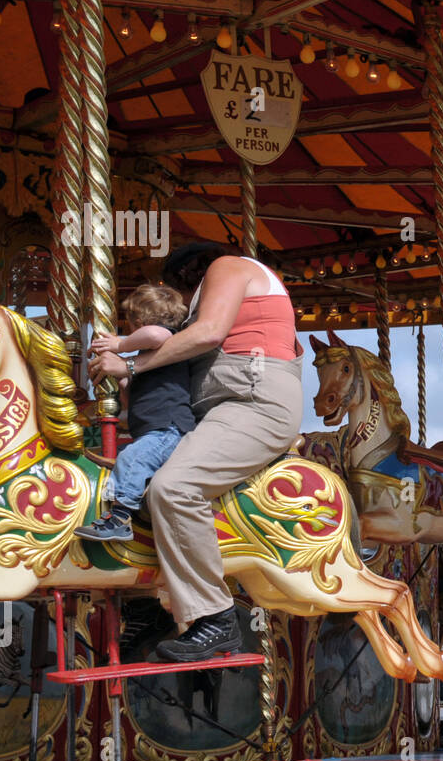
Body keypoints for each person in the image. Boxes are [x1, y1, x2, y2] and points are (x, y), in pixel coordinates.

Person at [89, 243, 303, 663]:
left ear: (186, 274)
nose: (180, 312)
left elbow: (208, 332)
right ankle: (152, 603)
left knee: (175, 487)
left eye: (177, 297)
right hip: (224, 407)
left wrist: (130, 365)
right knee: (142, 485)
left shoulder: (229, 266)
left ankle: (216, 618)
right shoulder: (220, 284)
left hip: (252, 399)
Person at [76, 284, 194, 543]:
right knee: (124, 459)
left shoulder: (168, 339)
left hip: (167, 430)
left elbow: (155, 335)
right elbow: (134, 400)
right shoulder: (149, 358)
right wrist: (121, 380)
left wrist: (120, 344)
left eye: (130, 327)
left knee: (130, 460)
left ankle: (119, 519)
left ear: (138, 322)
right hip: (155, 430)